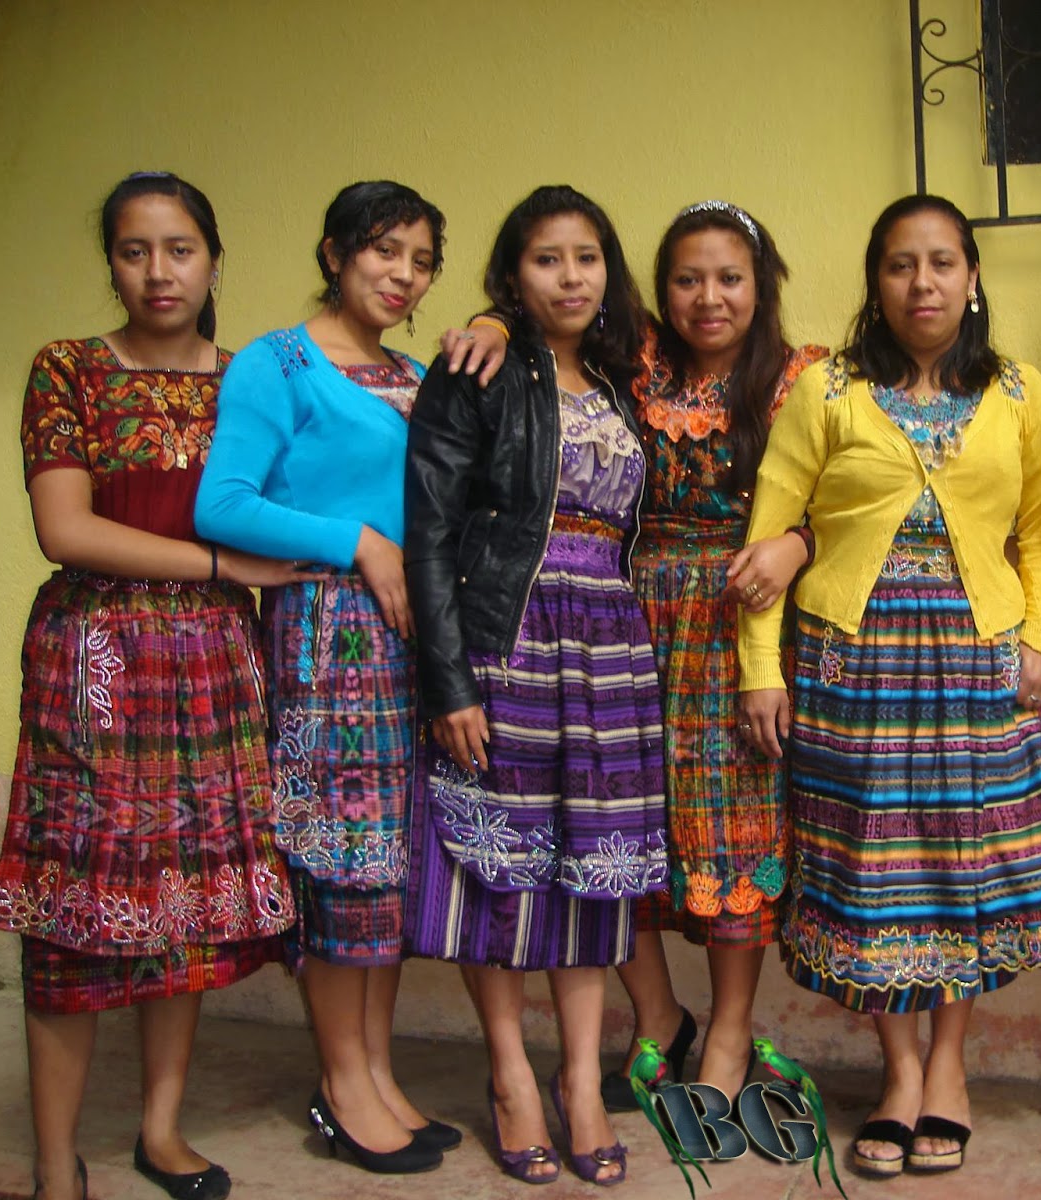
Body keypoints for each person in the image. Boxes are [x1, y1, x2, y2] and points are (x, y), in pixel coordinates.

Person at [441, 201, 825, 1109]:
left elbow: (849, 497)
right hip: (622, 621)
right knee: (612, 822)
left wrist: (797, 543)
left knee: (734, 832)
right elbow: (545, 322)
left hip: (742, 625)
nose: (708, 298)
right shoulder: (636, 360)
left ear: (760, 287)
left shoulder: (801, 380)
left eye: (730, 278)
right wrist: (493, 318)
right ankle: (657, 1014)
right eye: (687, 279)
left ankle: (728, 1030)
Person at [737, 194, 1041, 1179]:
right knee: (867, 864)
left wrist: (1040, 639)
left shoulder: (1019, 390)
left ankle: (951, 1070)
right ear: (875, 281)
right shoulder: (826, 390)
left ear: (971, 276)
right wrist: (761, 669)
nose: (921, 283)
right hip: (855, 662)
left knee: (959, 864)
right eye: (899, 264)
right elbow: (771, 532)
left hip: (978, 659)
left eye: (940, 262)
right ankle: (898, 1073)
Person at [0, 171, 302, 1200]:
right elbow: (65, 529)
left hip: (216, 665)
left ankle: (160, 1134)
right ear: (111, 262)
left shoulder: (254, 377)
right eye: (134, 250)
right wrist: (218, 567)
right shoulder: (69, 369)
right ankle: (51, 1162)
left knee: (188, 910)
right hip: (100, 663)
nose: (157, 271)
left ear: (213, 258)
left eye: (179, 249)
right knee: (77, 904)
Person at [405, 184, 666, 1187]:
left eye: (587, 257)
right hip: (507, 637)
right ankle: (512, 1076)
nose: (571, 276)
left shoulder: (620, 378)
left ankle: (585, 1082)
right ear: (512, 275)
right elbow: (429, 532)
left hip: (608, 646)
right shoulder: (477, 370)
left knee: (593, 873)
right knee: (498, 873)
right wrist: (448, 679)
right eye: (547, 258)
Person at [194, 181, 452, 1174]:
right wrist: (358, 543)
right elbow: (224, 504)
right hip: (330, 636)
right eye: (384, 251)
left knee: (387, 867)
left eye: (421, 259)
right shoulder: (278, 363)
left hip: (407, 642)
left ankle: (377, 1073)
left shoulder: (419, 372)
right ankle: (343, 1086)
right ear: (338, 250)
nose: (402, 274)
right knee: (342, 860)